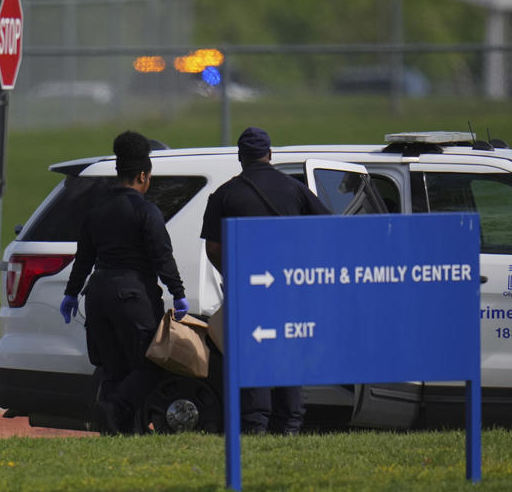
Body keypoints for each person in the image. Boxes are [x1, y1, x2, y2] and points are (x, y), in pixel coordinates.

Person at [200, 126, 330, 435]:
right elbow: (329, 231)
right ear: (270, 154)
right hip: (289, 292)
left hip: (249, 292)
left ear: (240, 157)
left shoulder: (225, 194)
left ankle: (255, 426)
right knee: (288, 352)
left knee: (253, 354)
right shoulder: (295, 189)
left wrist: (235, 275)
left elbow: (213, 249)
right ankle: (289, 425)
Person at [59, 130, 189, 435]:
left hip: (97, 295)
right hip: (131, 294)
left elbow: (84, 259)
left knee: (113, 367)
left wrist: (71, 294)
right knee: (153, 363)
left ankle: (117, 430)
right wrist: (178, 292)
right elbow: (162, 256)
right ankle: (115, 408)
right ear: (143, 176)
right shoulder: (145, 211)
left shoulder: (96, 210)